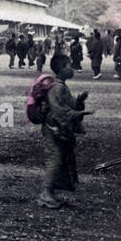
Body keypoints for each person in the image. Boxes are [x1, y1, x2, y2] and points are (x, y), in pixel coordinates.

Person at [38, 53, 93, 209]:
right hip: (53, 129)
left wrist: (80, 101)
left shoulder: (60, 86)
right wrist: (78, 114)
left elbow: (69, 105)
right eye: (69, 65)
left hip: (57, 128)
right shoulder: (57, 87)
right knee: (54, 159)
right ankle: (45, 193)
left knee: (60, 158)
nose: (72, 68)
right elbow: (59, 111)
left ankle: (50, 192)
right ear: (62, 69)